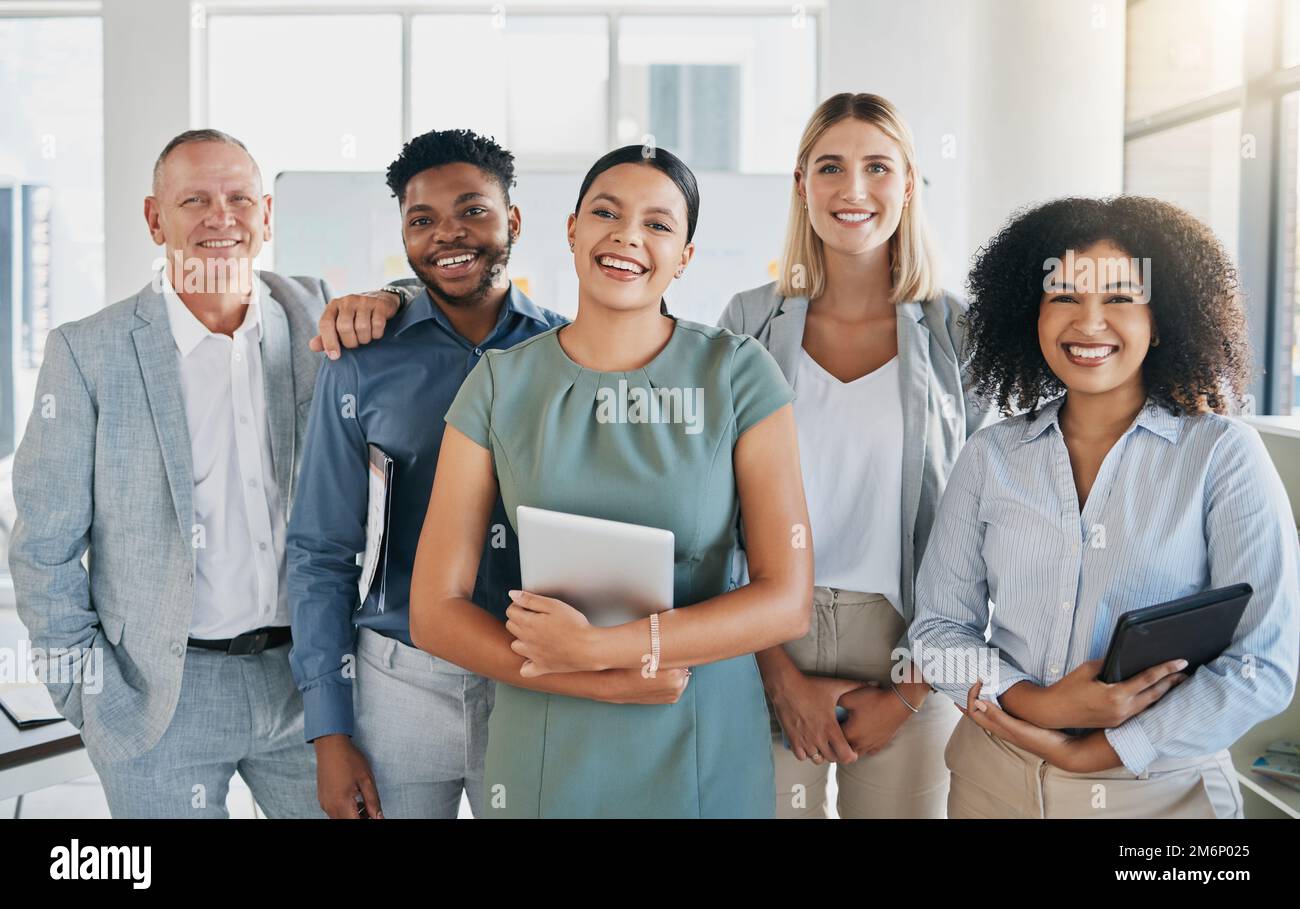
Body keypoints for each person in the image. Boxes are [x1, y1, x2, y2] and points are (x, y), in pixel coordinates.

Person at [408, 144, 814, 818]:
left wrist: (607, 649)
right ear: (572, 230)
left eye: (659, 224)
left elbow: (786, 599)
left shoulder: (739, 375)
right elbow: (435, 609)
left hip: (699, 730)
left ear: (684, 256)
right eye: (607, 211)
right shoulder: (497, 385)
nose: (628, 235)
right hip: (547, 739)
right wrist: (589, 677)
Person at [9, 129, 400, 818]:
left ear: (268, 214)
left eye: (239, 198)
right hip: (159, 698)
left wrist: (396, 296)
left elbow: (419, 297)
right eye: (195, 200)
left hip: (310, 684)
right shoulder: (87, 352)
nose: (222, 218)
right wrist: (95, 700)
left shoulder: (318, 317)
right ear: (156, 218)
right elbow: (44, 551)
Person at [910, 195, 1300, 818]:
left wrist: (1107, 747)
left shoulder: (1223, 455)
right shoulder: (990, 456)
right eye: (1064, 296)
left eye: (1119, 298)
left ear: (1162, 317)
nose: (1088, 323)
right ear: (1029, 313)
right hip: (994, 781)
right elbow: (936, 630)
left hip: (1162, 797)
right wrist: (1039, 705)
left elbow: (1263, 665)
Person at [287, 129, 566, 819]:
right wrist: (329, 730)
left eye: (473, 210)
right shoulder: (358, 361)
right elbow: (319, 551)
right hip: (397, 684)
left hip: (533, 677)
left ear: (514, 221)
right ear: (404, 235)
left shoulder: (569, 354)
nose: (450, 234)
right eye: (423, 220)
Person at [719, 93, 980, 818]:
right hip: (767, 635)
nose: (854, 190)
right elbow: (711, 511)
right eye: (830, 167)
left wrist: (909, 691)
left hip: (911, 644)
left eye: (877, 167)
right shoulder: (748, 321)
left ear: (909, 183)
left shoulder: (960, 332)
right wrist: (777, 675)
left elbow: (991, 524)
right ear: (802, 183)